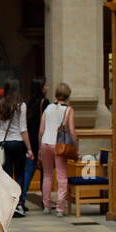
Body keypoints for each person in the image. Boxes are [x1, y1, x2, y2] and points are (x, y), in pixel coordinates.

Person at [0, 78, 33, 216]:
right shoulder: (20, 106)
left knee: (6, 175)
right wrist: (29, 148)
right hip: (18, 142)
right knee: (20, 174)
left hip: (4, 144)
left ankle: (7, 204)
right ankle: (19, 204)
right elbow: (23, 129)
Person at [39, 82, 76, 216]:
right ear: (68, 95)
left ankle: (46, 205)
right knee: (61, 176)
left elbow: (41, 129)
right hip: (58, 144)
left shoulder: (48, 108)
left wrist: (39, 147)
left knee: (47, 175)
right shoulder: (68, 110)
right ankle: (60, 208)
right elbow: (71, 130)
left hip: (45, 143)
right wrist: (75, 144)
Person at [21, 77, 48, 209]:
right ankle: (45, 200)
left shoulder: (28, 103)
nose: (47, 88)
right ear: (41, 88)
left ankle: (21, 199)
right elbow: (45, 125)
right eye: (45, 86)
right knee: (45, 172)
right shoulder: (45, 103)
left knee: (28, 171)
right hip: (41, 140)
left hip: (30, 142)